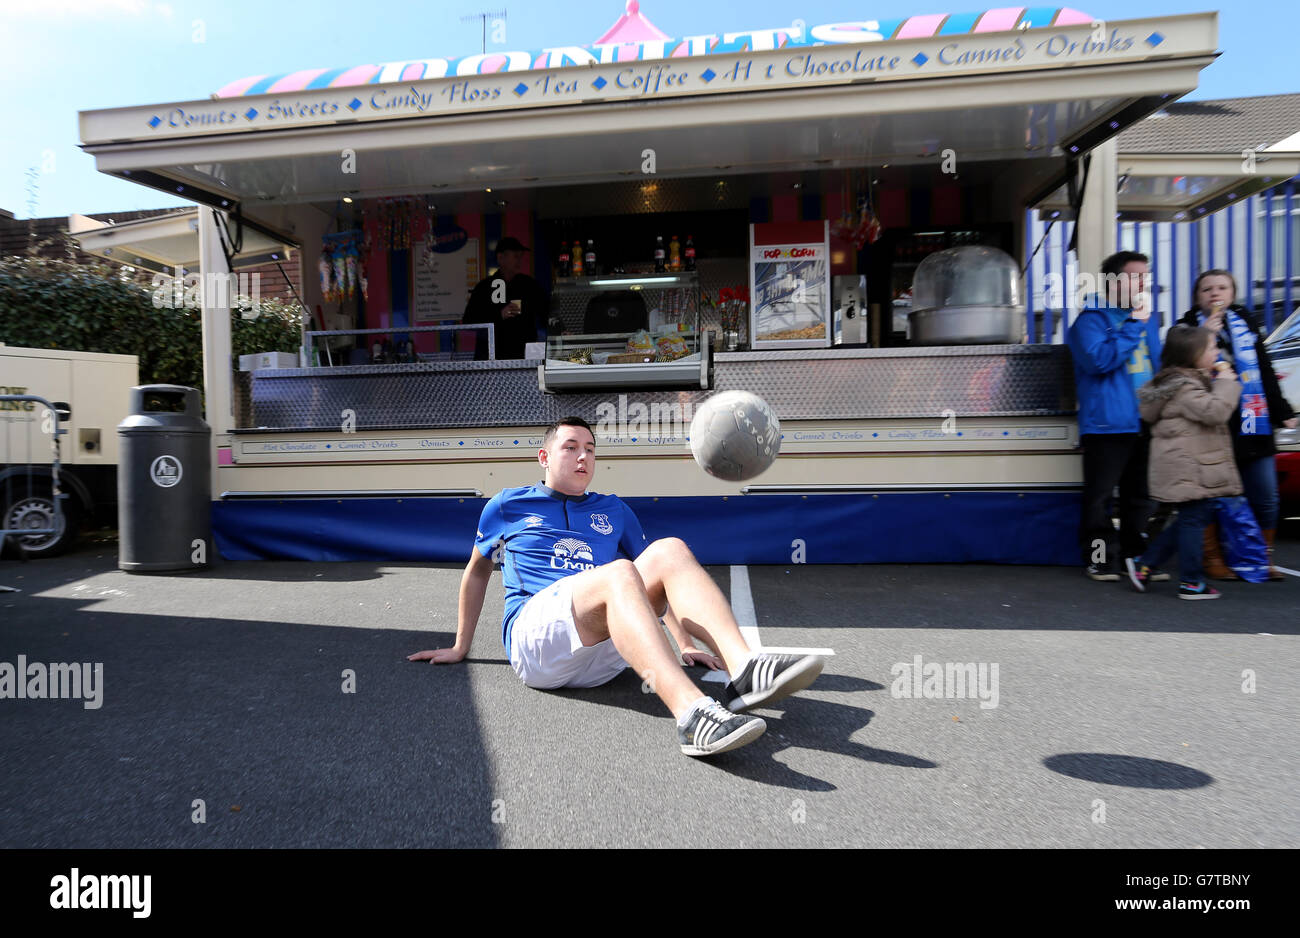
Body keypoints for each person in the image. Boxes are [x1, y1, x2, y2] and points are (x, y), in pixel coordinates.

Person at [407, 416, 825, 757]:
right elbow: (477, 571)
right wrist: (461, 645)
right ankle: (693, 715)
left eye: (590, 449)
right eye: (570, 447)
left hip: (605, 657)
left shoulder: (614, 509)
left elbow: (659, 582)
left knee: (670, 550)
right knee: (620, 572)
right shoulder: (507, 505)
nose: (582, 456)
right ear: (544, 456)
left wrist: (684, 642)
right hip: (538, 644)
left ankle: (746, 669)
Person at [1179, 270, 1297, 580]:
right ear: (1197, 296)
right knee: (1211, 496)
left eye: (1222, 288)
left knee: (1266, 495)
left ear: (1232, 294)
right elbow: (1179, 375)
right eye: (1207, 289)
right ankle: (1212, 557)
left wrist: (1281, 409)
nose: (1215, 294)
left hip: (1252, 420)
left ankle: (1260, 557)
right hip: (1212, 424)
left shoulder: (1245, 324)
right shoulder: (1185, 329)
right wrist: (1204, 335)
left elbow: (1264, 368)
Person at [1126, 324, 1244, 599]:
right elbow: (1215, 411)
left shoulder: (1180, 382)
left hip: (1187, 463)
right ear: (1194, 354)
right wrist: (1226, 382)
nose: (1217, 352)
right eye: (1212, 347)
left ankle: (1145, 565)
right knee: (1193, 520)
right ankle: (1191, 581)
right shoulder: (1185, 386)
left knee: (1192, 518)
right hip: (1188, 465)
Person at [1066, 250, 1163, 580]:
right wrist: (1134, 326)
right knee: (1100, 498)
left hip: (1144, 422)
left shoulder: (1146, 322)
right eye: (1135, 276)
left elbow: (1157, 368)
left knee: (1141, 498)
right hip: (1106, 425)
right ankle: (1098, 559)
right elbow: (1099, 361)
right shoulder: (1090, 321)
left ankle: (1134, 560)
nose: (1142, 283)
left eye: (1145, 277)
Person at [462, 236, 545, 360]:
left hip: (524, 359)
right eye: (515, 256)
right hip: (492, 360)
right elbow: (468, 320)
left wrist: (559, 330)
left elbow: (546, 312)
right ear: (500, 258)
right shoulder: (484, 287)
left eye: (520, 256)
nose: (519, 261)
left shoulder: (529, 285)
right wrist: (499, 315)